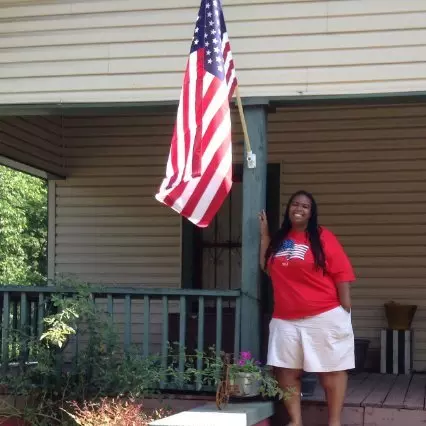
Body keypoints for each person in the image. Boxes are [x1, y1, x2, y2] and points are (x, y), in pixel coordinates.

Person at [258, 190, 355, 426]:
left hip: (323, 314)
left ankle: (334, 422)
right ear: (288, 208)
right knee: (286, 371)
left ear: (311, 213)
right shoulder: (281, 238)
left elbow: (341, 273)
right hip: (285, 318)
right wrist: (264, 236)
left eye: (305, 206)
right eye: (295, 204)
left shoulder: (322, 237)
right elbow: (266, 266)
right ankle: (295, 421)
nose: (299, 209)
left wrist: (345, 308)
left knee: (331, 371)